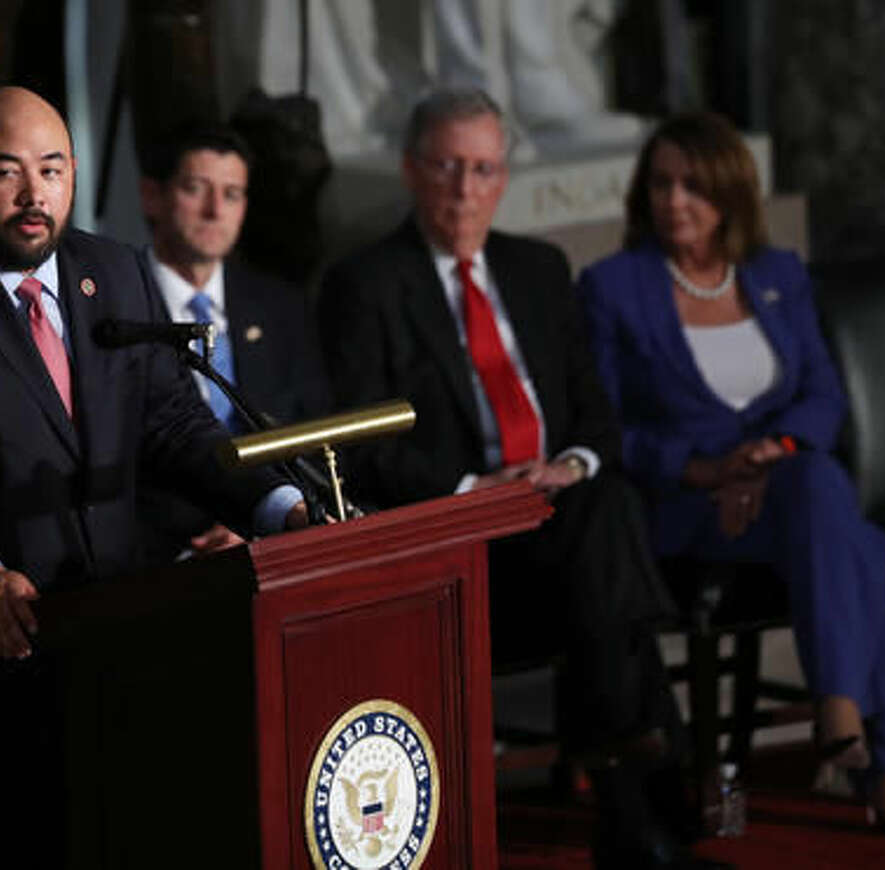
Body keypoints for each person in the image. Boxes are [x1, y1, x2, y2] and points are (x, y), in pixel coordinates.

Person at [0, 86, 307, 867]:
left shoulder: (113, 272)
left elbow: (174, 427)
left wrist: (280, 505)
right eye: (7, 172)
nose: (34, 196)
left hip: (101, 628)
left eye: (52, 171)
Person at [318, 88, 725, 869]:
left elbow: (595, 424)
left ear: (504, 179)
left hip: (561, 523)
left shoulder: (539, 269)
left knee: (599, 499)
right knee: (608, 529)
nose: (465, 189)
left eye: (482, 169)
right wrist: (480, 487)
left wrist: (567, 467)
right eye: (446, 167)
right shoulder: (363, 285)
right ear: (410, 170)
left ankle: (632, 808)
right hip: (460, 536)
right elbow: (363, 451)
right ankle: (648, 779)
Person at [578, 112, 885, 836]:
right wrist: (706, 469)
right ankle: (878, 752)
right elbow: (607, 425)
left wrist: (771, 454)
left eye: (694, 185)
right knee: (845, 520)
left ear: (731, 193)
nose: (674, 200)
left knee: (820, 491)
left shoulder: (777, 275)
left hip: (782, 491)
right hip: (684, 506)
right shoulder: (614, 287)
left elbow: (824, 396)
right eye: (661, 183)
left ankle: (859, 724)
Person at [136, 123, 331, 559]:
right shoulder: (116, 306)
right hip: (163, 557)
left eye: (231, 194)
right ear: (153, 196)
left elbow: (315, 435)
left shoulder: (281, 307)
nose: (214, 211)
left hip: (282, 539)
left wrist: (266, 523)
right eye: (195, 189)